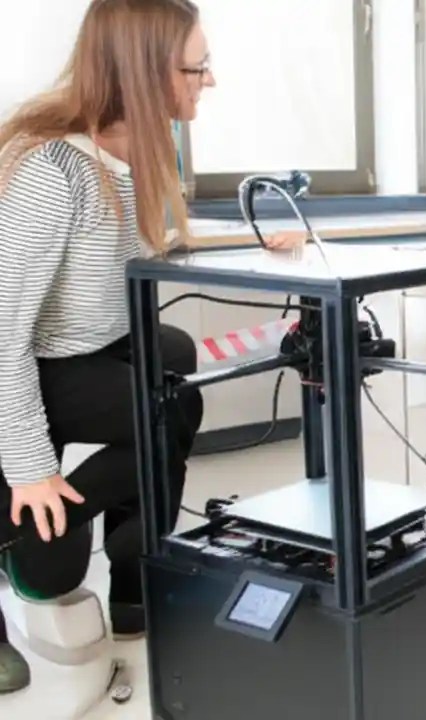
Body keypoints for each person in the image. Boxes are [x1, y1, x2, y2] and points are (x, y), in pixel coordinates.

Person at [0, 0, 215, 694]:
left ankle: (133, 578)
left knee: (173, 365)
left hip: (80, 347)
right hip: (20, 357)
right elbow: (3, 333)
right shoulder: (51, 172)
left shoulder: (140, 155)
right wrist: (33, 469)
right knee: (52, 568)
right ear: (147, 72)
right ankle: (24, 539)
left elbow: (151, 242)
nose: (209, 80)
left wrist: (253, 239)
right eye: (197, 67)